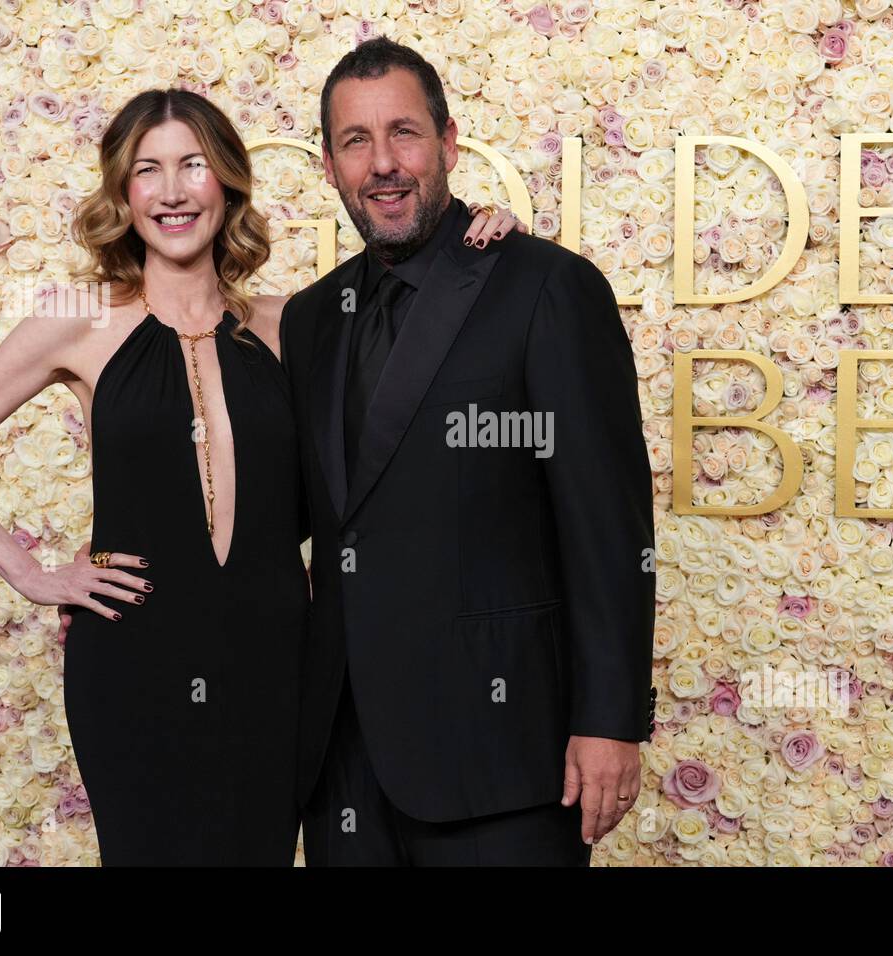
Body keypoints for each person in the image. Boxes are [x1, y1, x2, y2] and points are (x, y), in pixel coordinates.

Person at [0, 87, 525, 866]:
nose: (171, 191)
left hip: (274, 660)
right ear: (123, 194)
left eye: (192, 165)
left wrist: (478, 239)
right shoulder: (77, 318)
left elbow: (415, 377)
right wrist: (33, 575)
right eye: (146, 170)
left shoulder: (294, 322)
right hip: (132, 659)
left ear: (225, 180)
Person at [282, 36, 657, 866]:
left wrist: (609, 719)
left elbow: (605, 521)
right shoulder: (311, 318)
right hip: (345, 761)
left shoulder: (546, 287)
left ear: (448, 145)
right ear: (329, 165)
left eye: (404, 134)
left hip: (506, 758)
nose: (383, 163)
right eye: (356, 142)